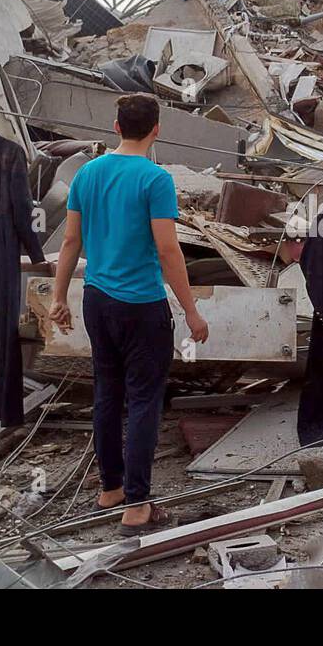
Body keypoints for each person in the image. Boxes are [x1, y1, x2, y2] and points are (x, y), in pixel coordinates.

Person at [48, 94, 209, 535]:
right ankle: (137, 506)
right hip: (141, 305)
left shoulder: (88, 173)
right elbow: (167, 248)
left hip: (97, 301)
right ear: (157, 130)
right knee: (142, 401)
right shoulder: (155, 179)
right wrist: (192, 310)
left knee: (108, 394)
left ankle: (110, 489)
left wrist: (59, 297)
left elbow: (69, 243)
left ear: (116, 127)